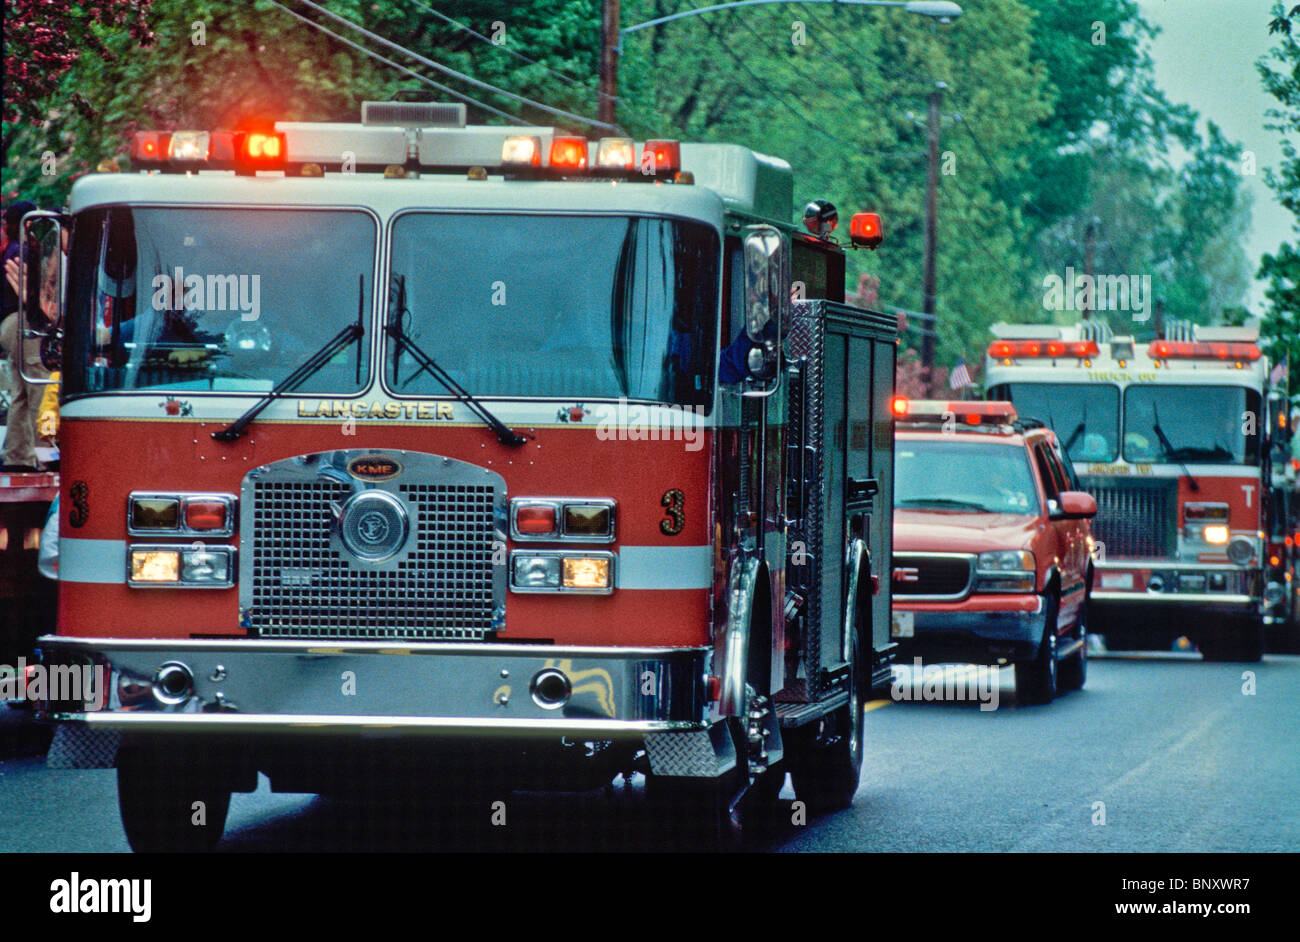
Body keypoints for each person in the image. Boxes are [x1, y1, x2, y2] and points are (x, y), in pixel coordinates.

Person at [1, 200, 55, 470]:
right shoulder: (25, 252)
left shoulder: (10, 250)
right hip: (25, 323)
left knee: (20, 392)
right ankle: (44, 456)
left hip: (9, 326)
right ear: (29, 222)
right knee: (40, 389)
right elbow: (35, 296)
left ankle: (16, 455)